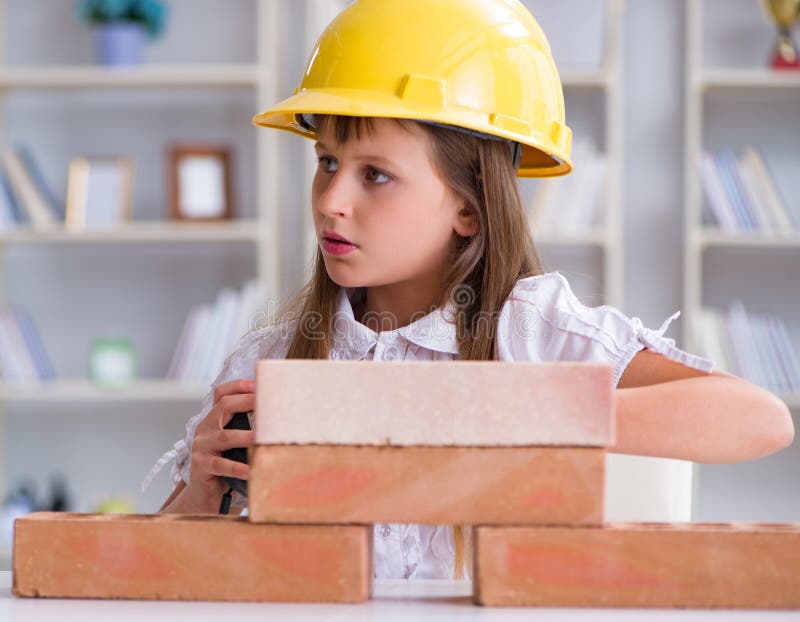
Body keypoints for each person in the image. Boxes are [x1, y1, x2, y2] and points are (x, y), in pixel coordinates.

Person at [142, 0, 794, 580]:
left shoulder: (532, 330)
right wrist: (200, 492)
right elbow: (164, 574)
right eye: (328, 164)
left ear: (471, 209)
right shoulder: (276, 360)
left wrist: (515, 412)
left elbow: (759, 420)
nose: (332, 201)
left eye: (376, 175)